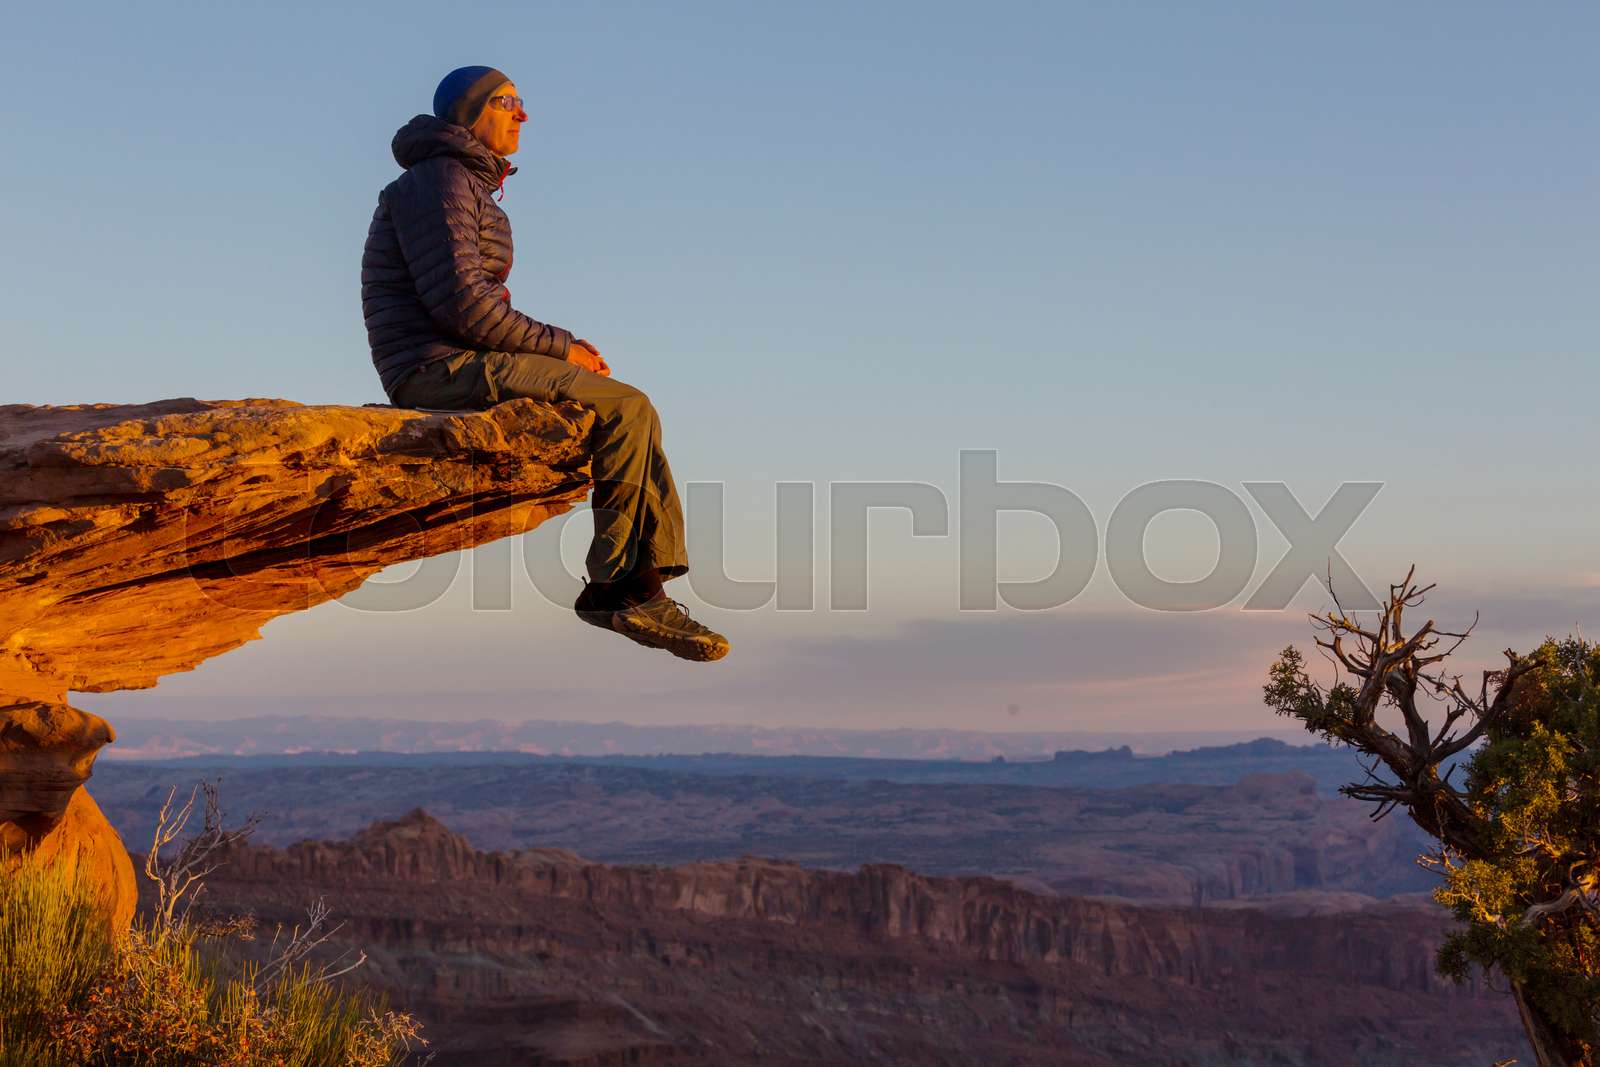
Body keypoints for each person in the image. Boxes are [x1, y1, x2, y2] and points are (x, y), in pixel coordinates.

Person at [362, 65, 729, 662]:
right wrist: (562, 347)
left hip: (454, 357)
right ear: (469, 113)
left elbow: (469, 305)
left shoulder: (457, 181)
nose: (523, 114)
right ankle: (623, 589)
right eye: (506, 102)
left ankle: (636, 585)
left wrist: (563, 347)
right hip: (436, 367)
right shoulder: (440, 180)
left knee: (629, 410)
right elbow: (463, 306)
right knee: (625, 407)